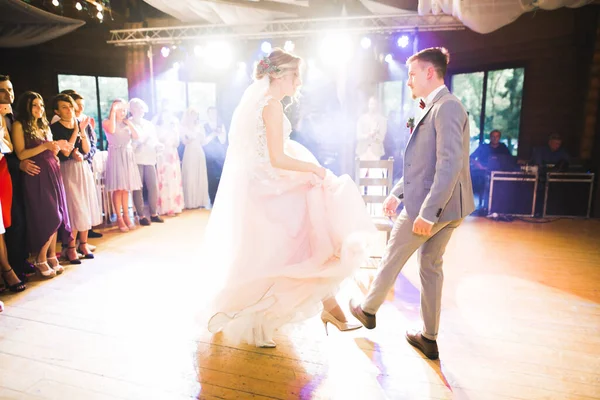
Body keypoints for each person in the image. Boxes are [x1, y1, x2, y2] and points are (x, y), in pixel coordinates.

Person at [203, 48, 376, 348]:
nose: (298, 82)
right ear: (278, 74)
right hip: (267, 186)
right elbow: (276, 157)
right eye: (295, 75)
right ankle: (321, 309)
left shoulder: (265, 104)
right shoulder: (270, 106)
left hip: (262, 184)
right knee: (287, 249)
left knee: (282, 250)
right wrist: (312, 167)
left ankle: (325, 308)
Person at [349, 47, 475, 360]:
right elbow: (422, 163)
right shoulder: (431, 107)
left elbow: (449, 165)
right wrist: (397, 191)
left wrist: (428, 213)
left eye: (413, 74)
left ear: (430, 73)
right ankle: (429, 337)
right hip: (446, 205)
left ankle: (367, 309)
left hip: (431, 206)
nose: (408, 81)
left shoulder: (447, 107)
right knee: (430, 266)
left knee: (392, 254)